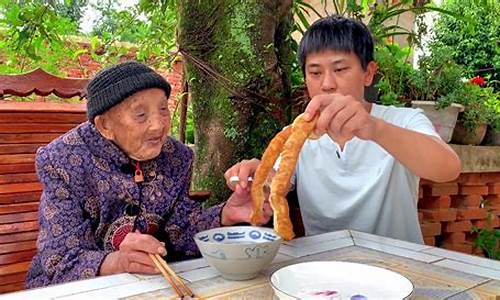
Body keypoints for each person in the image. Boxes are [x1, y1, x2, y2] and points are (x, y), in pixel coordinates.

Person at [26, 61, 272, 288]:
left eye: (163, 109)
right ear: (105, 126)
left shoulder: (177, 157)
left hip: (151, 285)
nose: (158, 125)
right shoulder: (63, 161)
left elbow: (181, 232)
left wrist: (225, 215)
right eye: (141, 115)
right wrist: (117, 262)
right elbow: (59, 259)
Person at [225, 16, 461, 244]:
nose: (327, 84)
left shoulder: (403, 120)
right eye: (315, 73)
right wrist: (254, 181)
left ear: (368, 73)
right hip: (326, 271)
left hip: (400, 269)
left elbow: (448, 168)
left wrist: (373, 128)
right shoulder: (298, 134)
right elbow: (276, 184)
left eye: (340, 69)